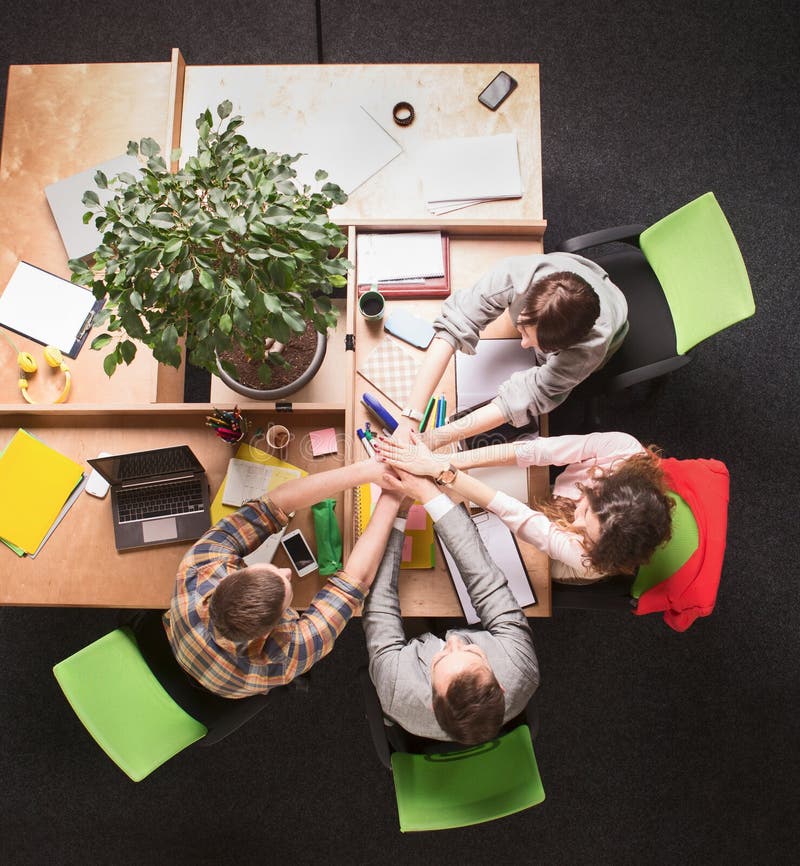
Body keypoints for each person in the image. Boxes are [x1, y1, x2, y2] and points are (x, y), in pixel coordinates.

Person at [163, 460, 403, 698]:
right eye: (286, 587)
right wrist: (394, 496)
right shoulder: (289, 654)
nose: (286, 571)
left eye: (271, 571)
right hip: (230, 683)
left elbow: (273, 505)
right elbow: (353, 583)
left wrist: (367, 470)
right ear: (274, 627)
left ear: (231, 575)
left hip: (187, 646)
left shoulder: (200, 564)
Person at [363, 469, 539, 745]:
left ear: (432, 701)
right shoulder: (521, 669)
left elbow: (380, 606)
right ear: (502, 687)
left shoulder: (397, 687)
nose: (454, 640)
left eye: (442, 658)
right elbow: (486, 583)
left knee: (411, 616)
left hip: (409, 651)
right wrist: (429, 496)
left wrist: (397, 513)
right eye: (471, 652)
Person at [375, 431, 673, 584]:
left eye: (589, 534)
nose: (577, 527)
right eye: (585, 512)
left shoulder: (590, 559)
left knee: (514, 560)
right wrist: (439, 463)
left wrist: (445, 473)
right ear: (602, 484)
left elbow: (519, 516)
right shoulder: (621, 447)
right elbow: (533, 451)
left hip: (557, 554)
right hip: (549, 497)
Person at [395, 253, 628, 448]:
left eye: (538, 344)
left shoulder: (588, 349)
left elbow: (523, 398)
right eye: (523, 330)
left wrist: (433, 439)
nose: (523, 345)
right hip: (575, 273)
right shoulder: (514, 275)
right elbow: (454, 325)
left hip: (610, 316)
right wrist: (410, 418)